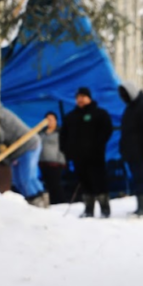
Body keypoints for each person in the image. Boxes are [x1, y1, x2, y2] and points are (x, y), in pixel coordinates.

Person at [60, 87, 113, 218]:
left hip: (96, 157)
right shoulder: (71, 117)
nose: (80, 99)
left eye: (83, 97)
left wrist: (98, 145)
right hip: (79, 158)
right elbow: (63, 136)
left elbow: (107, 130)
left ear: (89, 98)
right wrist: (67, 151)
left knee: (99, 182)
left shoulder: (100, 114)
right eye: (78, 97)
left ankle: (104, 209)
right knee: (85, 183)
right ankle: (88, 209)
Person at [118, 81, 143, 217]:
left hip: (141, 151)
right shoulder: (130, 107)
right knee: (136, 178)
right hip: (131, 151)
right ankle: (139, 207)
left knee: (140, 179)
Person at [39, 111, 67, 204]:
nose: (49, 121)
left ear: (56, 121)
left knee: (55, 183)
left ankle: (61, 202)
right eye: (47, 120)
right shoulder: (41, 133)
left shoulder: (61, 132)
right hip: (43, 162)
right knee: (47, 184)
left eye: (51, 119)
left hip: (56, 162)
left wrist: (62, 160)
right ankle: (51, 202)